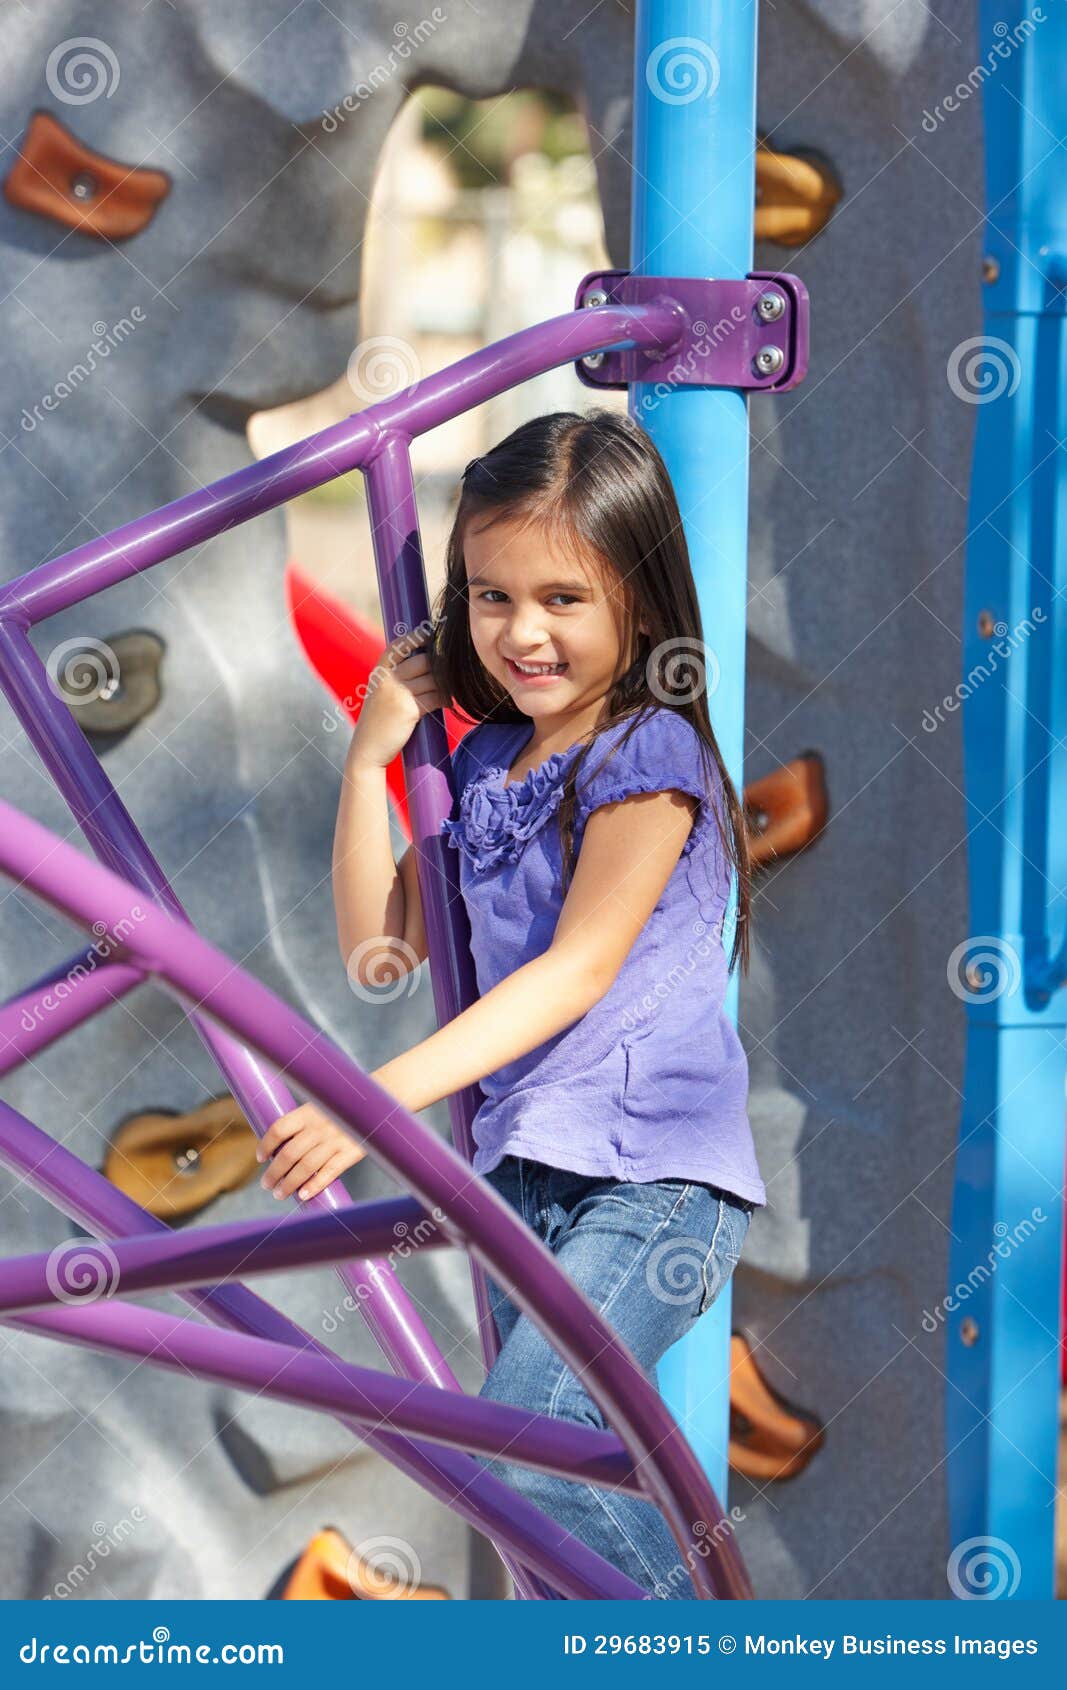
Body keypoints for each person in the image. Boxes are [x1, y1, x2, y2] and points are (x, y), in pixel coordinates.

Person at [255, 407, 767, 1599]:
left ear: (638, 601)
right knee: (531, 1521)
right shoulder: (484, 766)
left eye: (561, 599)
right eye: (490, 596)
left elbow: (575, 968)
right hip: (524, 1178)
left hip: (650, 1180)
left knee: (525, 1451)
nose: (521, 632)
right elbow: (378, 947)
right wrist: (370, 758)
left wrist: (370, 1107)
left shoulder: (647, 753)